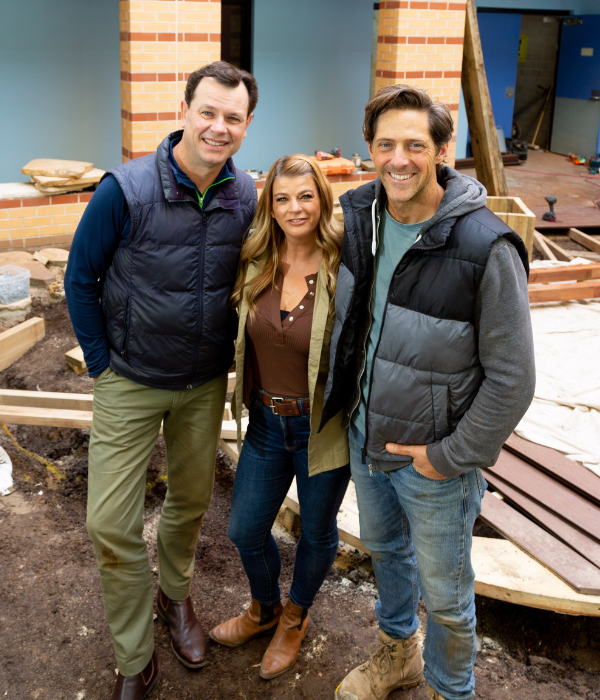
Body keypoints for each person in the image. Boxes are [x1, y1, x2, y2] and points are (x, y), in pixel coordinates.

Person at [320, 85, 535, 700]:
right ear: (369, 148)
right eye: (385, 144)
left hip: (434, 462)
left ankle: (450, 687)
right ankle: (399, 655)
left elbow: (514, 378)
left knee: (445, 595)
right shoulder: (361, 217)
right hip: (368, 440)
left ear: (443, 150)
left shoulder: (485, 247)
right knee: (387, 555)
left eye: (415, 145)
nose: (399, 159)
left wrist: (449, 456)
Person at [64, 61, 258, 700]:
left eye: (233, 117)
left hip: (202, 384)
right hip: (130, 378)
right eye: (208, 112)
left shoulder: (246, 195)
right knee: (109, 524)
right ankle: (133, 655)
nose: (219, 127)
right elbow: (80, 278)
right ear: (184, 111)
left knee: (191, 501)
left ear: (246, 125)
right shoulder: (126, 190)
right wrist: (101, 363)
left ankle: (176, 598)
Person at [209, 154, 351, 679]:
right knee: (244, 530)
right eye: (283, 198)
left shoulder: (343, 268)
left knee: (316, 531)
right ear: (270, 207)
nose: (295, 208)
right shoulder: (256, 261)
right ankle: (265, 607)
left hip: (322, 428)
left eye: (306, 196)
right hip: (267, 424)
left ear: (322, 201)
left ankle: (295, 616)